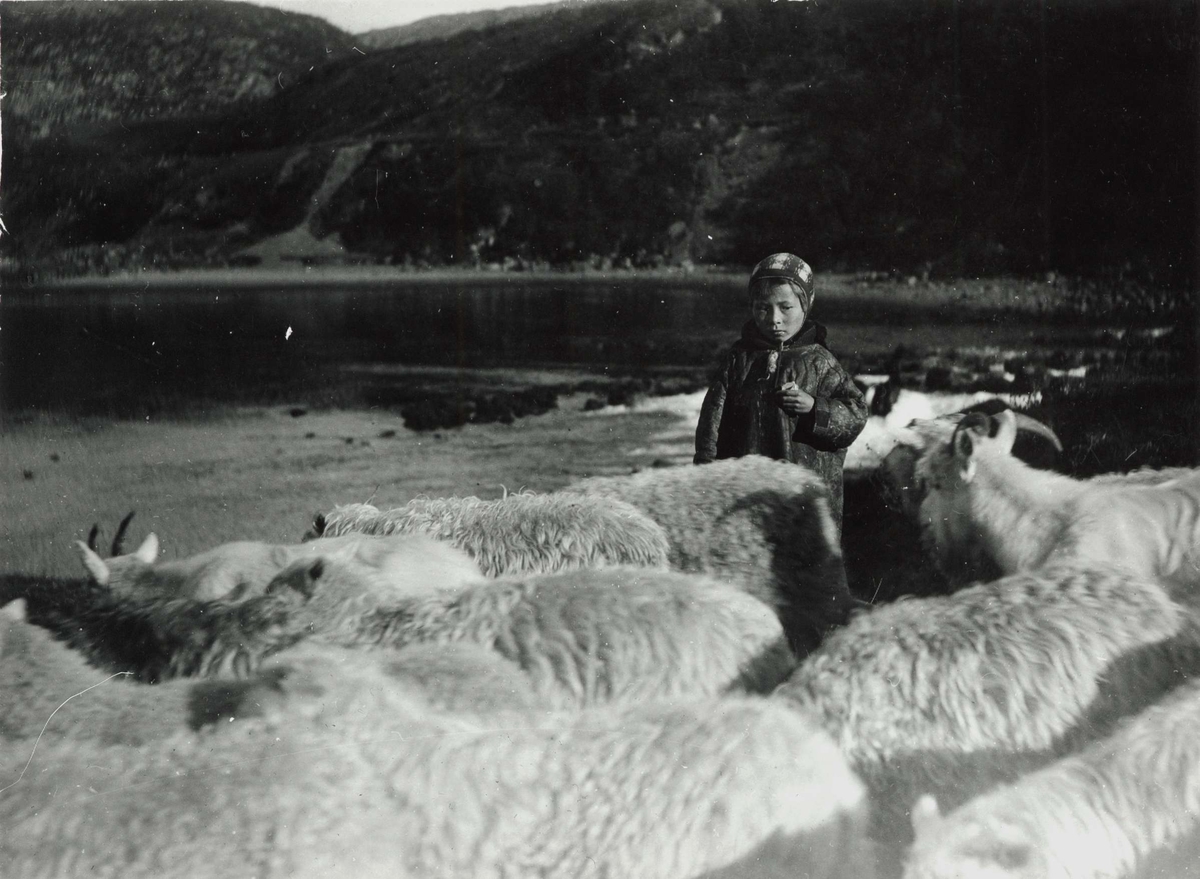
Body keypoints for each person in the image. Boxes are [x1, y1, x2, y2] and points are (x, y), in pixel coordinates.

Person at [694, 252, 868, 530]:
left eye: (785, 307)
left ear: (806, 305)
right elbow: (710, 427)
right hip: (743, 494)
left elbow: (856, 415)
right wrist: (704, 479)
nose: (774, 319)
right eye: (763, 308)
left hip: (806, 498)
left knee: (805, 564)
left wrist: (814, 407)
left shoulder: (819, 361)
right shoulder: (738, 360)